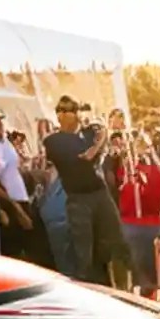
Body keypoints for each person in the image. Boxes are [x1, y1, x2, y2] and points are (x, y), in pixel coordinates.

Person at [43, 94, 124, 284]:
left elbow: (99, 143)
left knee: (116, 243)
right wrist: (99, 142)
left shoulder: (85, 134)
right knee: (84, 254)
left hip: (99, 193)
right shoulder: (53, 141)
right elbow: (85, 156)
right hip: (78, 199)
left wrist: (101, 136)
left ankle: (118, 289)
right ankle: (88, 289)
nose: (74, 115)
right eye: (68, 111)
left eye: (74, 110)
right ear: (59, 115)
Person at [0, 106, 53, 267]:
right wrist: (16, 211)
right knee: (22, 253)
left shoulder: (4, 142)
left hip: (22, 199)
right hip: (11, 204)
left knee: (39, 251)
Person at [116, 132, 160, 299]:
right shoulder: (125, 169)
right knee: (136, 273)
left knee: (152, 274)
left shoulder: (155, 169)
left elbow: (159, 192)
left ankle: (151, 297)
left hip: (150, 225)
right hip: (132, 224)